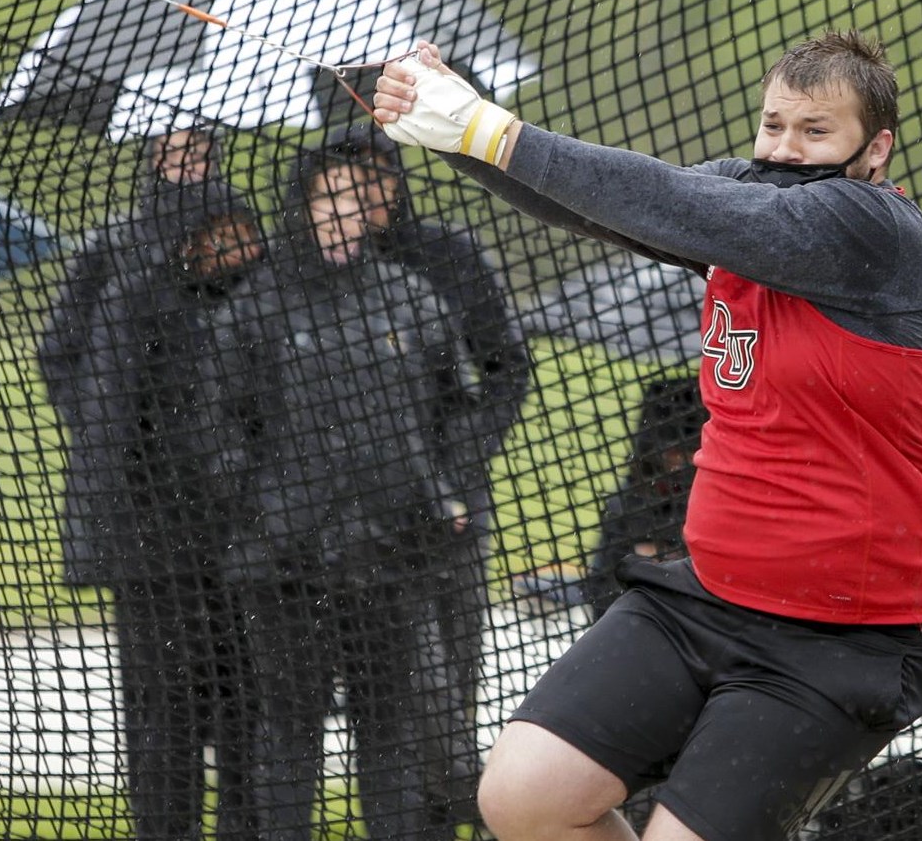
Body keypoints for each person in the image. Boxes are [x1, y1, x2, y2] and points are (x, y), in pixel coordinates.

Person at [374, 31, 922, 841]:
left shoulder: (872, 230)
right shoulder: (742, 203)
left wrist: (488, 128)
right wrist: (452, 133)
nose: (785, 149)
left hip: (845, 634)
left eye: (814, 132)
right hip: (710, 596)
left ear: (875, 149)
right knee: (525, 798)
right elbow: (617, 203)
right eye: (773, 125)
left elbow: (681, 203)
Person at [235, 137, 488, 840]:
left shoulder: (410, 298)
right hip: (284, 565)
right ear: (302, 211)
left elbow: (458, 406)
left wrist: (444, 492)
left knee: (391, 730)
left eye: (354, 206)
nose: (341, 218)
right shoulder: (257, 303)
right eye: (327, 204)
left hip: (391, 555)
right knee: (288, 729)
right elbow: (215, 424)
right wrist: (262, 508)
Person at [291, 123, 531, 828]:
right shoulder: (304, 274)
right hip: (338, 525)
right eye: (347, 179)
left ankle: (441, 821)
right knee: (376, 705)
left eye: (380, 177)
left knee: (441, 700)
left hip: (443, 517)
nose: (367, 193)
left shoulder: (445, 256)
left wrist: (454, 467)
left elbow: (505, 368)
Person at [66, 179, 272, 840]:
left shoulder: (263, 302)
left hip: (243, 541)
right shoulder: (136, 300)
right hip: (156, 548)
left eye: (247, 235)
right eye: (223, 236)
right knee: (166, 712)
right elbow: (104, 418)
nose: (238, 250)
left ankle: (242, 827)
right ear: (190, 241)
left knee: (248, 703)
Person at [39, 124, 222, 452]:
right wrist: (90, 418)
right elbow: (61, 346)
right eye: (169, 153)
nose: (182, 166)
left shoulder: (234, 248)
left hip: (200, 452)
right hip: (112, 447)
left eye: (195, 154)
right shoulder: (111, 245)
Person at [586, 376, 706, 618]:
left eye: (687, 454)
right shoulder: (631, 500)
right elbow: (600, 589)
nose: (679, 464)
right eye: (674, 454)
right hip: (639, 621)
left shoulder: (708, 497)